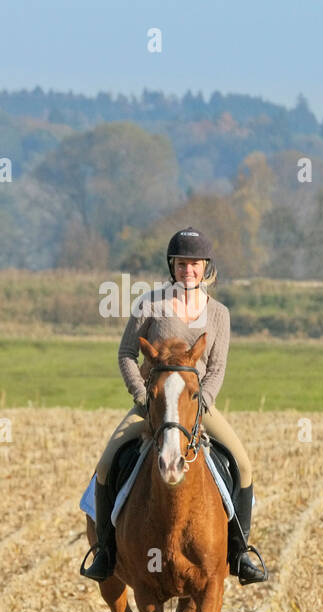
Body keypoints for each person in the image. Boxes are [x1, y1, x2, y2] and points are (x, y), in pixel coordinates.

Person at [81, 226, 268, 585]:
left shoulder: (219, 314)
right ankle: (105, 551)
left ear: (205, 267)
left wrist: (203, 403)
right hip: (153, 405)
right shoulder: (150, 304)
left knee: (242, 465)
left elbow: (216, 367)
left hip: (196, 408)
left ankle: (240, 553)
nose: (188, 271)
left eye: (194, 265)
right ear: (172, 267)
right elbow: (126, 354)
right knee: (105, 465)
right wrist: (141, 394)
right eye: (182, 264)